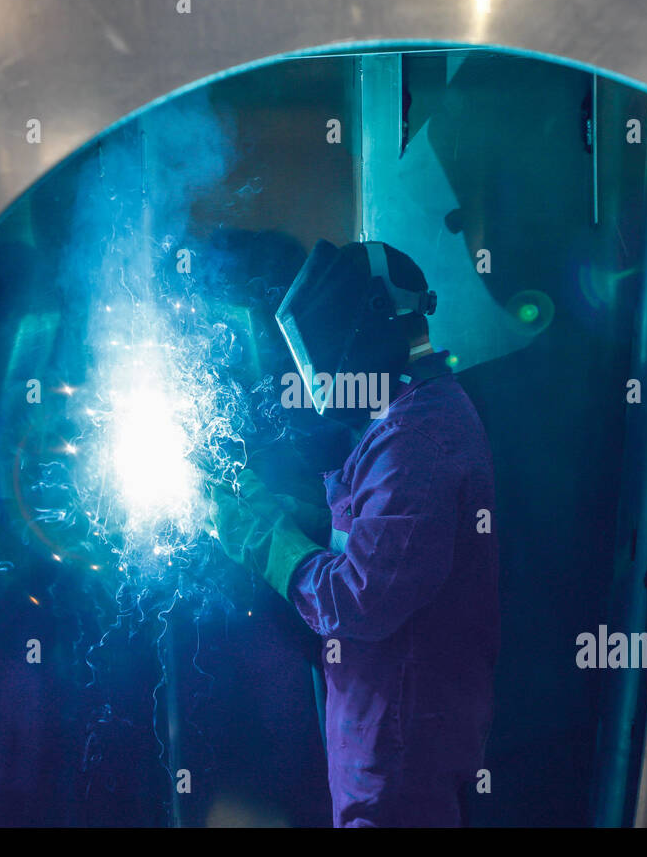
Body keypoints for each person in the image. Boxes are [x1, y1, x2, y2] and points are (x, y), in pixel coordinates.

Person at [206, 239, 500, 827]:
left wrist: (267, 542)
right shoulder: (407, 415)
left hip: (400, 748)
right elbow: (380, 539)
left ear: (371, 317)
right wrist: (298, 516)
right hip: (383, 728)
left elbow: (361, 596)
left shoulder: (416, 437)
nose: (318, 381)